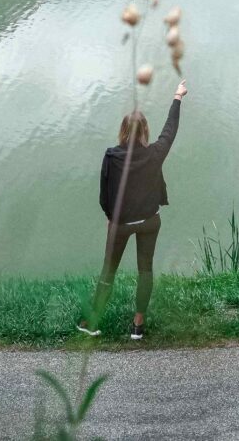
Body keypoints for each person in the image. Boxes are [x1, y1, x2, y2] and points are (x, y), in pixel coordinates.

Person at [80, 79, 187, 340]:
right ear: (145, 132)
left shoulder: (111, 157)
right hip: (150, 220)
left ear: (123, 131)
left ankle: (92, 322)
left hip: (122, 223)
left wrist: (111, 218)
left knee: (109, 270)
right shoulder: (155, 153)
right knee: (145, 270)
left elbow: (104, 195)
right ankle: (138, 325)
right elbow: (169, 132)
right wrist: (177, 97)